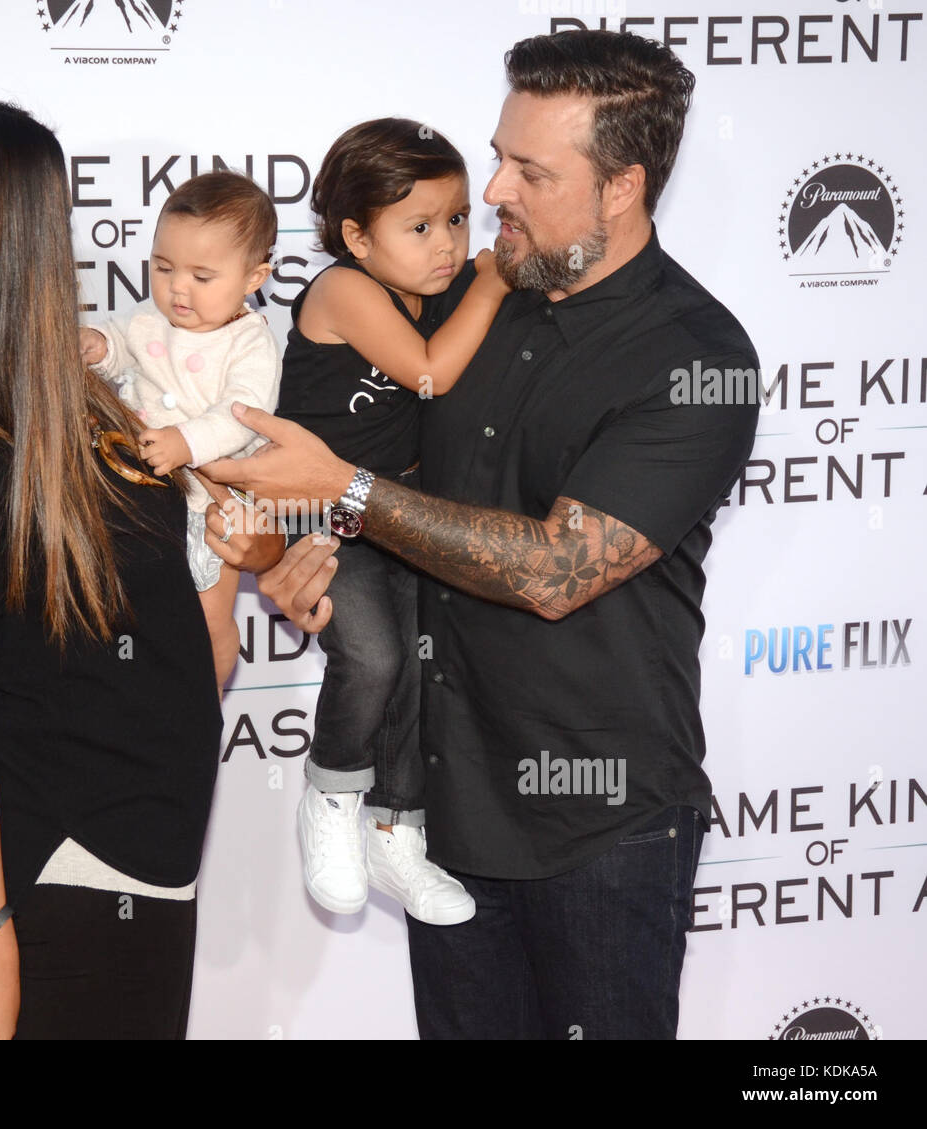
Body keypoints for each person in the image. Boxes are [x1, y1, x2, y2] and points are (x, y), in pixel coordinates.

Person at [203, 29, 762, 1039]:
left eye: (531, 170)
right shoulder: (458, 303)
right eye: (497, 153)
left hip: (600, 824)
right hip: (439, 815)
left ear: (622, 187)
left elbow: (555, 570)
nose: (495, 187)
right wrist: (289, 554)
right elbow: (360, 470)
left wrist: (348, 489)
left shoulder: (695, 359)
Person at [0, 97, 286, 1040]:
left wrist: (240, 559)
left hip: (152, 856)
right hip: (72, 878)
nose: (71, 250)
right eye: (55, 222)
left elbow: (184, 635)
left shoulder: (91, 401)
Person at [275, 118, 508, 925]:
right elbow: (429, 374)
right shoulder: (343, 290)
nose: (446, 243)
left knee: (422, 666)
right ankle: (332, 796)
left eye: (457, 220)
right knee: (373, 659)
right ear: (354, 236)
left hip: (404, 512)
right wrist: (494, 278)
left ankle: (397, 831)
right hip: (327, 515)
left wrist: (479, 276)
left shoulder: (435, 289)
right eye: (419, 226)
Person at [79, 171, 281, 698]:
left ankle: (202, 703)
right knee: (141, 614)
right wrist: (100, 345)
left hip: (210, 509)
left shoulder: (249, 343)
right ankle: (140, 697)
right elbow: (124, 342)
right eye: (163, 267)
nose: (177, 288)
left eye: (202, 276)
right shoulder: (150, 317)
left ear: (254, 277)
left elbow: (243, 415)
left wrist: (186, 442)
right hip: (140, 497)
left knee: (209, 620)